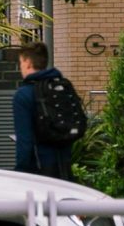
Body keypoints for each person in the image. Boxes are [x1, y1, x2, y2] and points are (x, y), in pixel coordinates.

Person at [11, 42, 78, 181]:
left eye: (21, 63)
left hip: (38, 171)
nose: (20, 68)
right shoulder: (62, 88)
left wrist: (20, 172)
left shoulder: (24, 94)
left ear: (28, 63)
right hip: (64, 167)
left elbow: (25, 141)